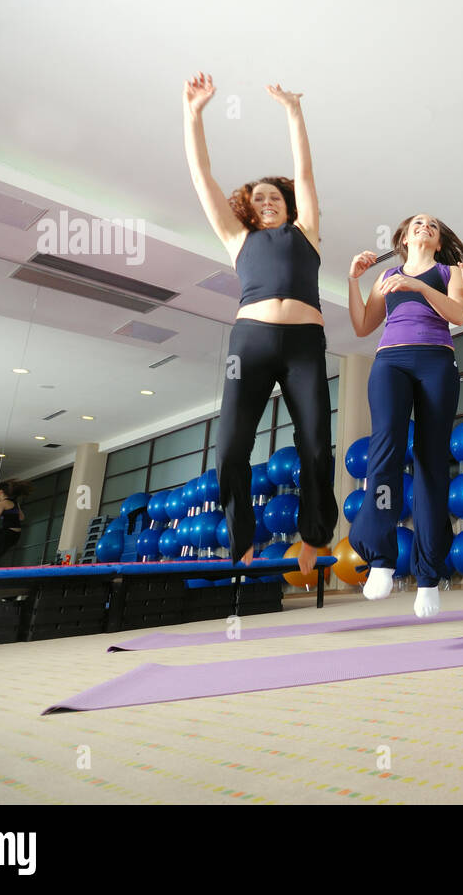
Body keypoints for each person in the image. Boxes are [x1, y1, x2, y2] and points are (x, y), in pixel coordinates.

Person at [183, 72, 337, 577]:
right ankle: (241, 539)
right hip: (248, 344)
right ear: (247, 208)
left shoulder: (307, 232)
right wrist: (194, 114)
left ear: (289, 205)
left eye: (275, 196)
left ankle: (314, 535)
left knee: (315, 442)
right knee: (231, 446)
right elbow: (202, 175)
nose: (267, 201)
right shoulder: (236, 238)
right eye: (258, 198)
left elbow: (306, 170)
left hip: (303, 345)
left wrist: (294, 111)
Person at [347, 214, 463, 617]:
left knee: (431, 463)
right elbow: (364, 325)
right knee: (385, 452)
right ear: (403, 237)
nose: (425, 226)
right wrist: (353, 279)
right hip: (390, 363)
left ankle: (427, 574)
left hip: (437, 362)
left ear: (438, 242)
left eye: (432, 225)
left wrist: (418, 285)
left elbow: (458, 314)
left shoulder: (449, 271)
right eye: (417, 223)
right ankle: (381, 558)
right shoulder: (386, 276)